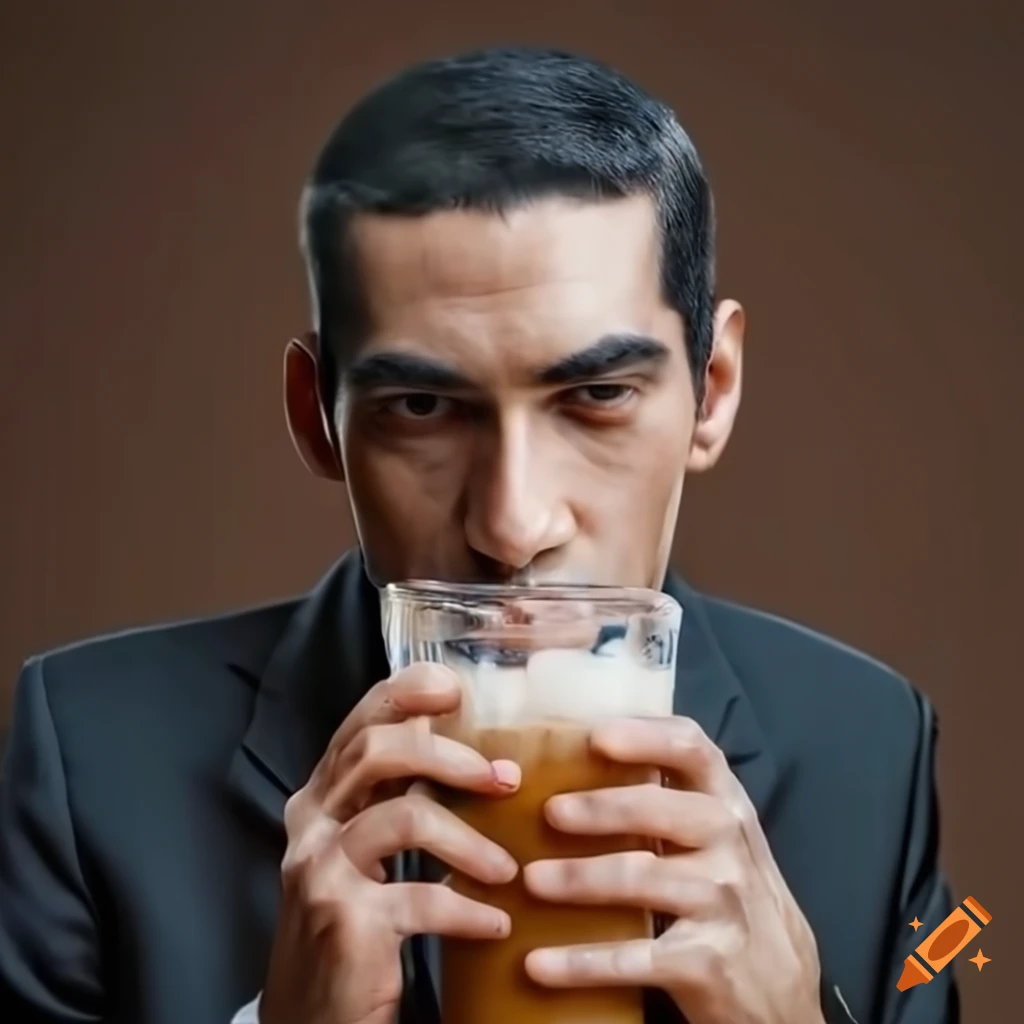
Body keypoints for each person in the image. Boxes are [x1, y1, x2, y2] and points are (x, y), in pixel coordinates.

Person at [0, 46, 958, 1024]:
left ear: (711, 392)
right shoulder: (88, 759)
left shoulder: (872, 748)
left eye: (595, 396)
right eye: (422, 405)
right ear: (316, 418)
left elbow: (947, 959)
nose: (513, 523)